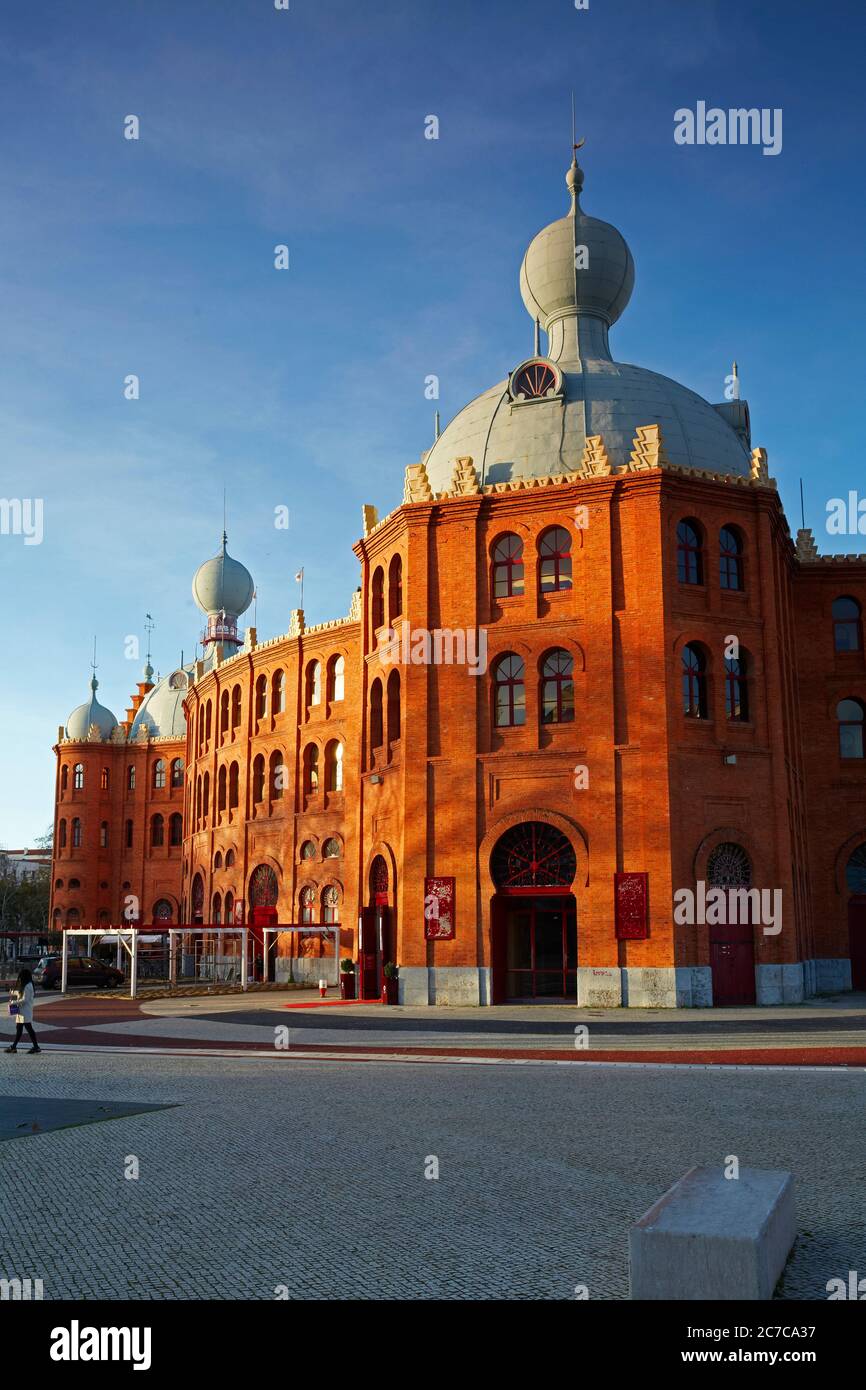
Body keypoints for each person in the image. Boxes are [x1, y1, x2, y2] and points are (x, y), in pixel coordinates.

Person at [6, 968, 40, 1054]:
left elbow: (25, 999)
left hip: (25, 1012)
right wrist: (13, 992)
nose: (20, 979)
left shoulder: (28, 985)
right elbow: (20, 993)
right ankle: (14, 1046)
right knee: (20, 1029)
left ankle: (35, 1047)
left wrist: (14, 1002)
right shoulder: (26, 984)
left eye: (21, 977)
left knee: (28, 1029)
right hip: (22, 1012)